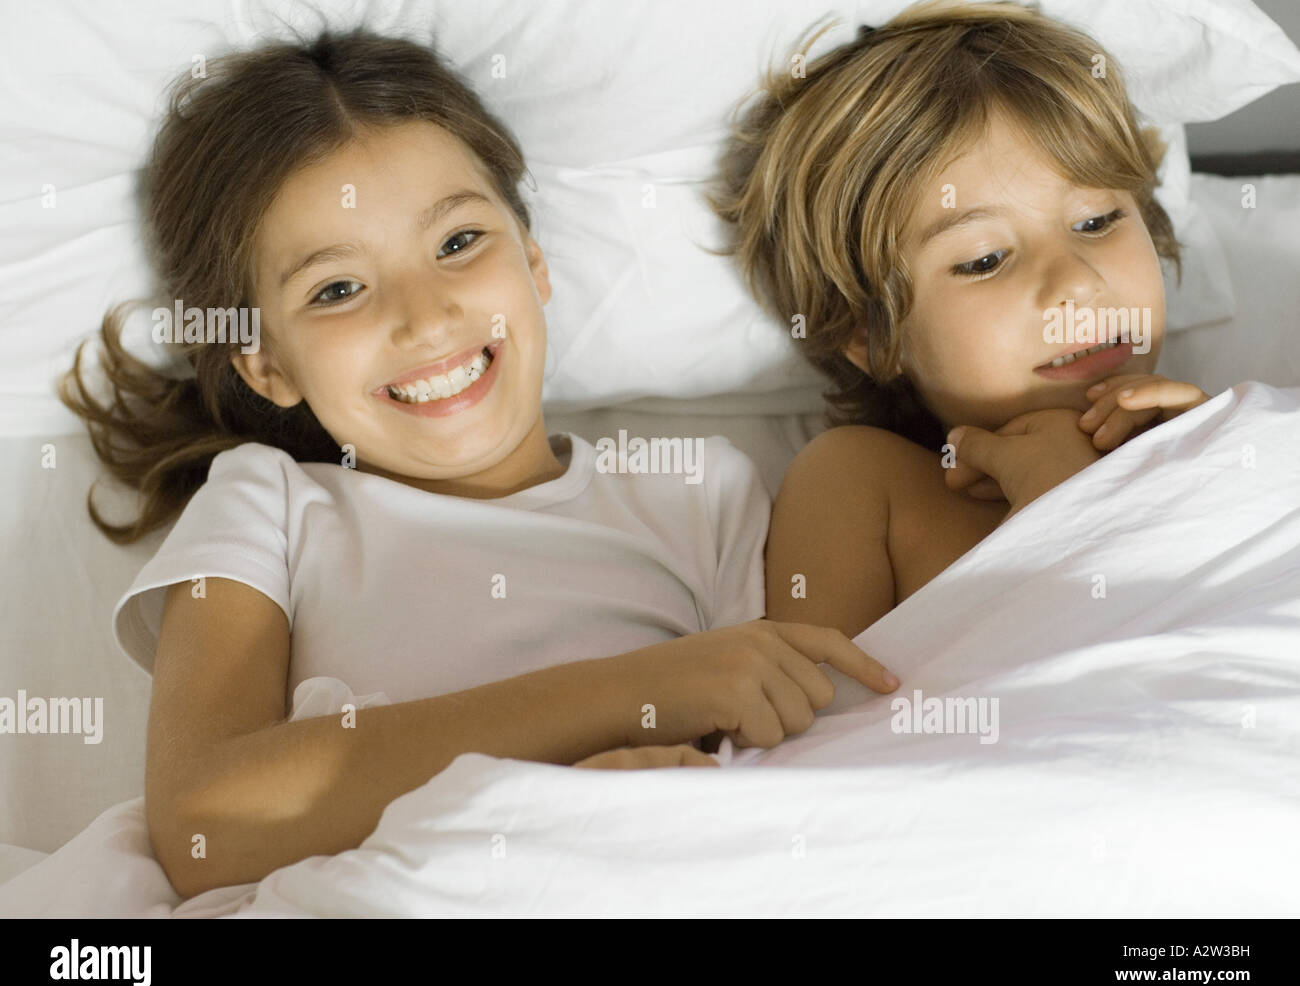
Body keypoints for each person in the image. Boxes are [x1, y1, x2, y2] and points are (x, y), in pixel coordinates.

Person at [59, 29, 895, 900]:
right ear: (264, 364)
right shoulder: (265, 505)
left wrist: (628, 801)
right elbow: (204, 824)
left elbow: (790, 756)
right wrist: (630, 693)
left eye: (458, 242)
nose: (425, 318)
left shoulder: (696, 491)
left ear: (533, 262)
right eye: (336, 289)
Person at [710, 0, 1211, 640]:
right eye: (984, 259)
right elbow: (818, 724)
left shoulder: (1212, 433)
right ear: (868, 333)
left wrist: (1201, 471)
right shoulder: (865, 485)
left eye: (1096, 221)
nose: (1079, 282)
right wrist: (1059, 506)